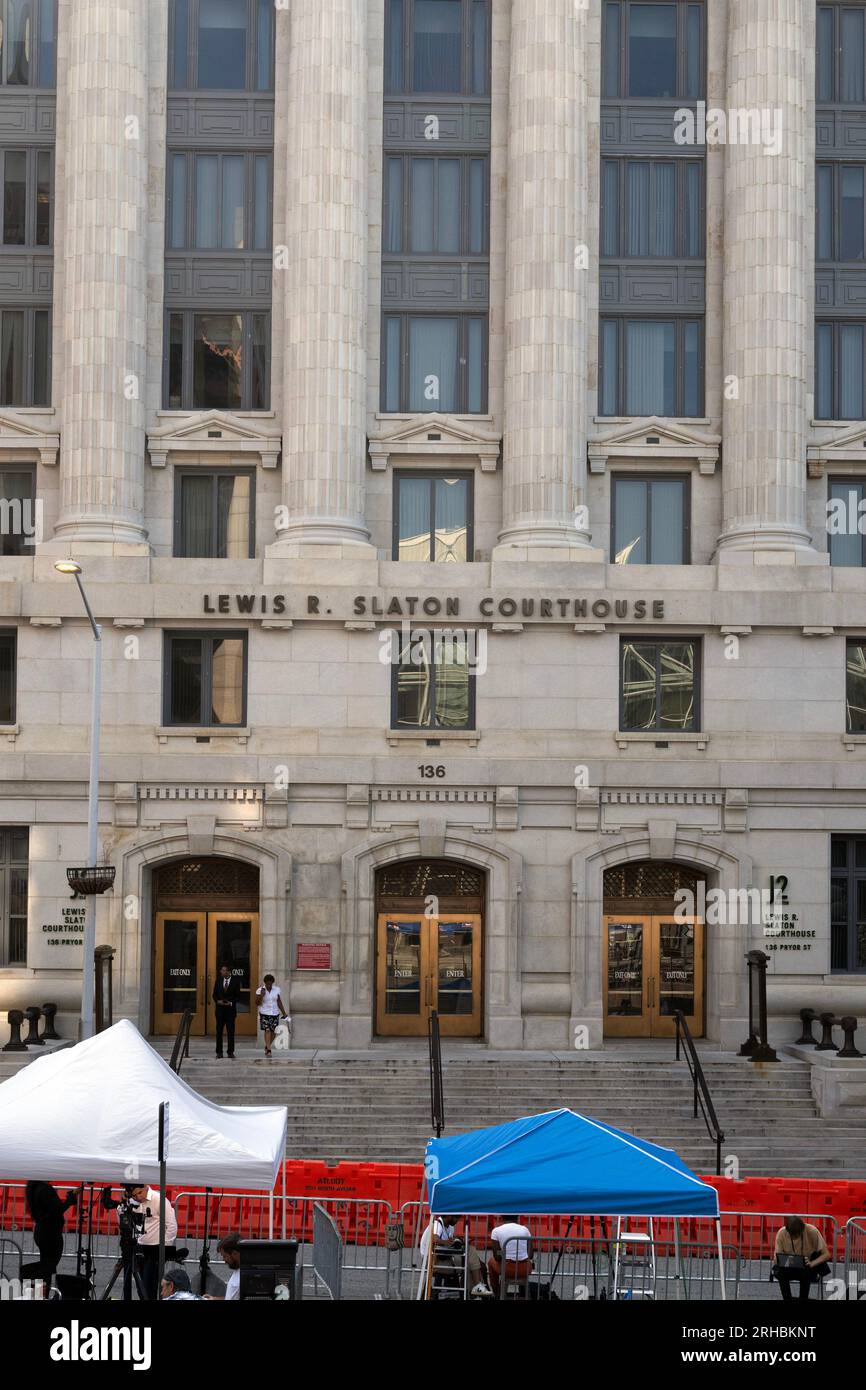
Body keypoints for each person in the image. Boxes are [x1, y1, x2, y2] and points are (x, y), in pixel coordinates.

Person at [128, 1182, 179, 1301]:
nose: (138, 1197)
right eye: (134, 1195)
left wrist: (164, 1249)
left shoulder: (159, 1199)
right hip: (139, 1246)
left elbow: (171, 1225)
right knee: (140, 1286)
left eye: (140, 1193)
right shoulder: (133, 1202)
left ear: (146, 1187)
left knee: (148, 1285)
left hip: (156, 1249)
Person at [420, 1214, 491, 1297]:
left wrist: (458, 1241)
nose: (458, 1221)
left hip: (441, 1258)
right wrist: (448, 1242)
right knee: (471, 1253)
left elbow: (448, 1243)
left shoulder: (449, 1227)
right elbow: (435, 1239)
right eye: (456, 1218)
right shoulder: (437, 1224)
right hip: (431, 1261)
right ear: (449, 1216)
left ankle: (475, 1288)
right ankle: (476, 1287)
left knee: (472, 1258)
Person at [23, 1182, 78, 1288]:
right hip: (50, 1233)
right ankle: (42, 1292)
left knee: (46, 1264)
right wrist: (69, 1200)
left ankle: (41, 1292)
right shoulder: (45, 1189)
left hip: (43, 1230)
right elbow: (57, 1210)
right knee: (48, 1267)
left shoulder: (34, 1188)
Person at [772, 1216, 831, 1301]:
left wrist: (812, 1263)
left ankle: (803, 1298)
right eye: (792, 1235)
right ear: (787, 1230)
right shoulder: (782, 1233)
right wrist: (791, 1261)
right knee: (780, 1273)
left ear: (803, 1229)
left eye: (797, 1235)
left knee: (806, 1273)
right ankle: (787, 1298)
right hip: (788, 1265)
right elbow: (776, 1259)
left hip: (807, 1265)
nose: (795, 1237)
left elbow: (826, 1255)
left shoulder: (812, 1231)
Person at [487, 1215, 533, 1297]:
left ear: (501, 1217)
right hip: (524, 1268)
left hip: (507, 1269)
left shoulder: (496, 1231)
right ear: (517, 1217)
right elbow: (530, 1254)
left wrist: (505, 1253)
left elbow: (497, 1257)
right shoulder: (525, 1230)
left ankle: (496, 1293)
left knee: (491, 1262)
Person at [254, 973, 288, 1058]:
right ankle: (269, 1050)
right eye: (267, 983)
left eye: (270, 983)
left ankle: (267, 1046)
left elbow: (279, 1001)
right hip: (264, 1013)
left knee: (274, 1032)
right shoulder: (260, 990)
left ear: (272, 983)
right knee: (267, 1030)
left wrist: (284, 1013)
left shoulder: (277, 990)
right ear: (265, 983)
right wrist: (261, 995)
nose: (269, 985)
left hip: (274, 1013)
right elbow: (257, 1003)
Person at [212, 963, 241, 1059]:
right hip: (220, 1011)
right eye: (221, 970)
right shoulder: (218, 980)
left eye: (223, 970)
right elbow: (214, 995)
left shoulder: (236, 981)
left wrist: (231, 1003)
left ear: (228, 972)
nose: (221, 972)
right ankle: (219, 1052)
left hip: (230, 1011)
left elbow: (238, 996)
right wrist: (218, 1001)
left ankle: (230, 1052)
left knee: (230, 1032)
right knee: (219, 1032)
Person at [203, 1233, 242, 1301]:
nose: (224, 1260)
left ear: (235, 1253)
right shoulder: (238, 1271)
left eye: (225, 1256)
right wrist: (214, 1299)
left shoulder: (239, 1280)